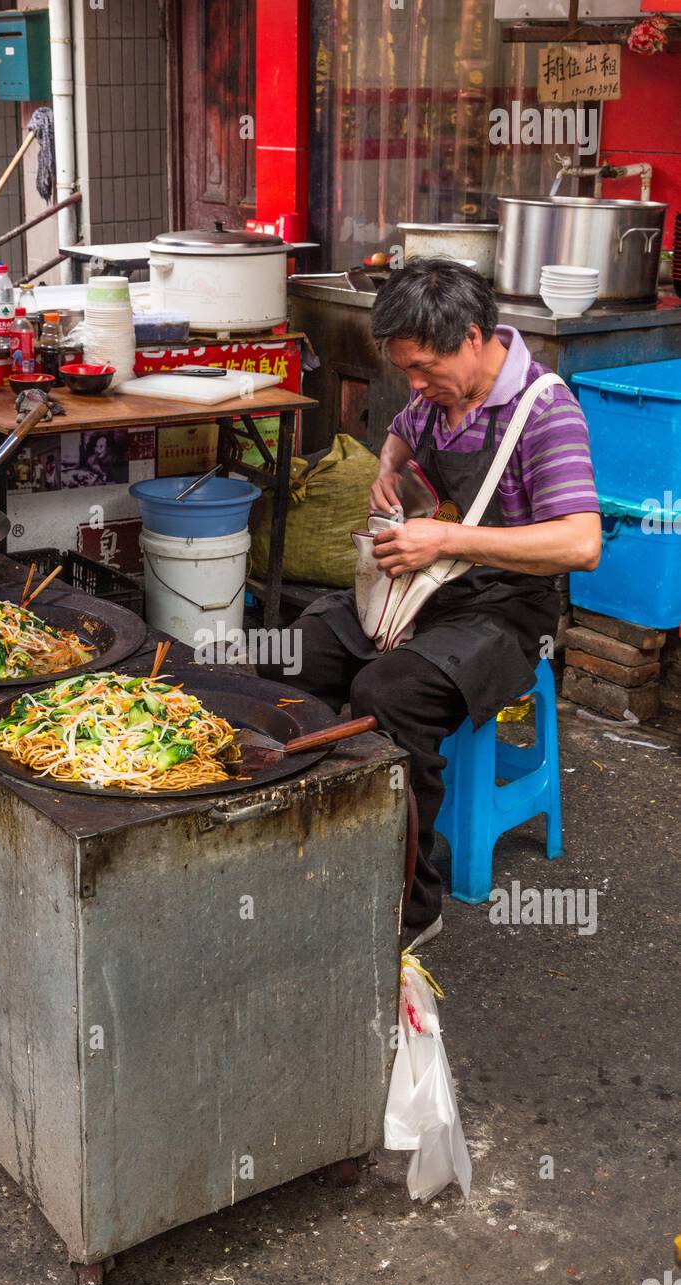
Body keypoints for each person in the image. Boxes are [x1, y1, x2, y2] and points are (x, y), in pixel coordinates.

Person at [257, 259, 602, 950]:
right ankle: (318, 842)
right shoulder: (436, 399)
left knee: (388, 692)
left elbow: (581, 543)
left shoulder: (545, 411)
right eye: (405, 371)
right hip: (426, 585)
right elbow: (401, 433)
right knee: (293, 656)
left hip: (505, 609)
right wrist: (387, 470)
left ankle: (411, 904)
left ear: (472, 337)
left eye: (423, 369)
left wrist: (443, 535)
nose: (414, 386)